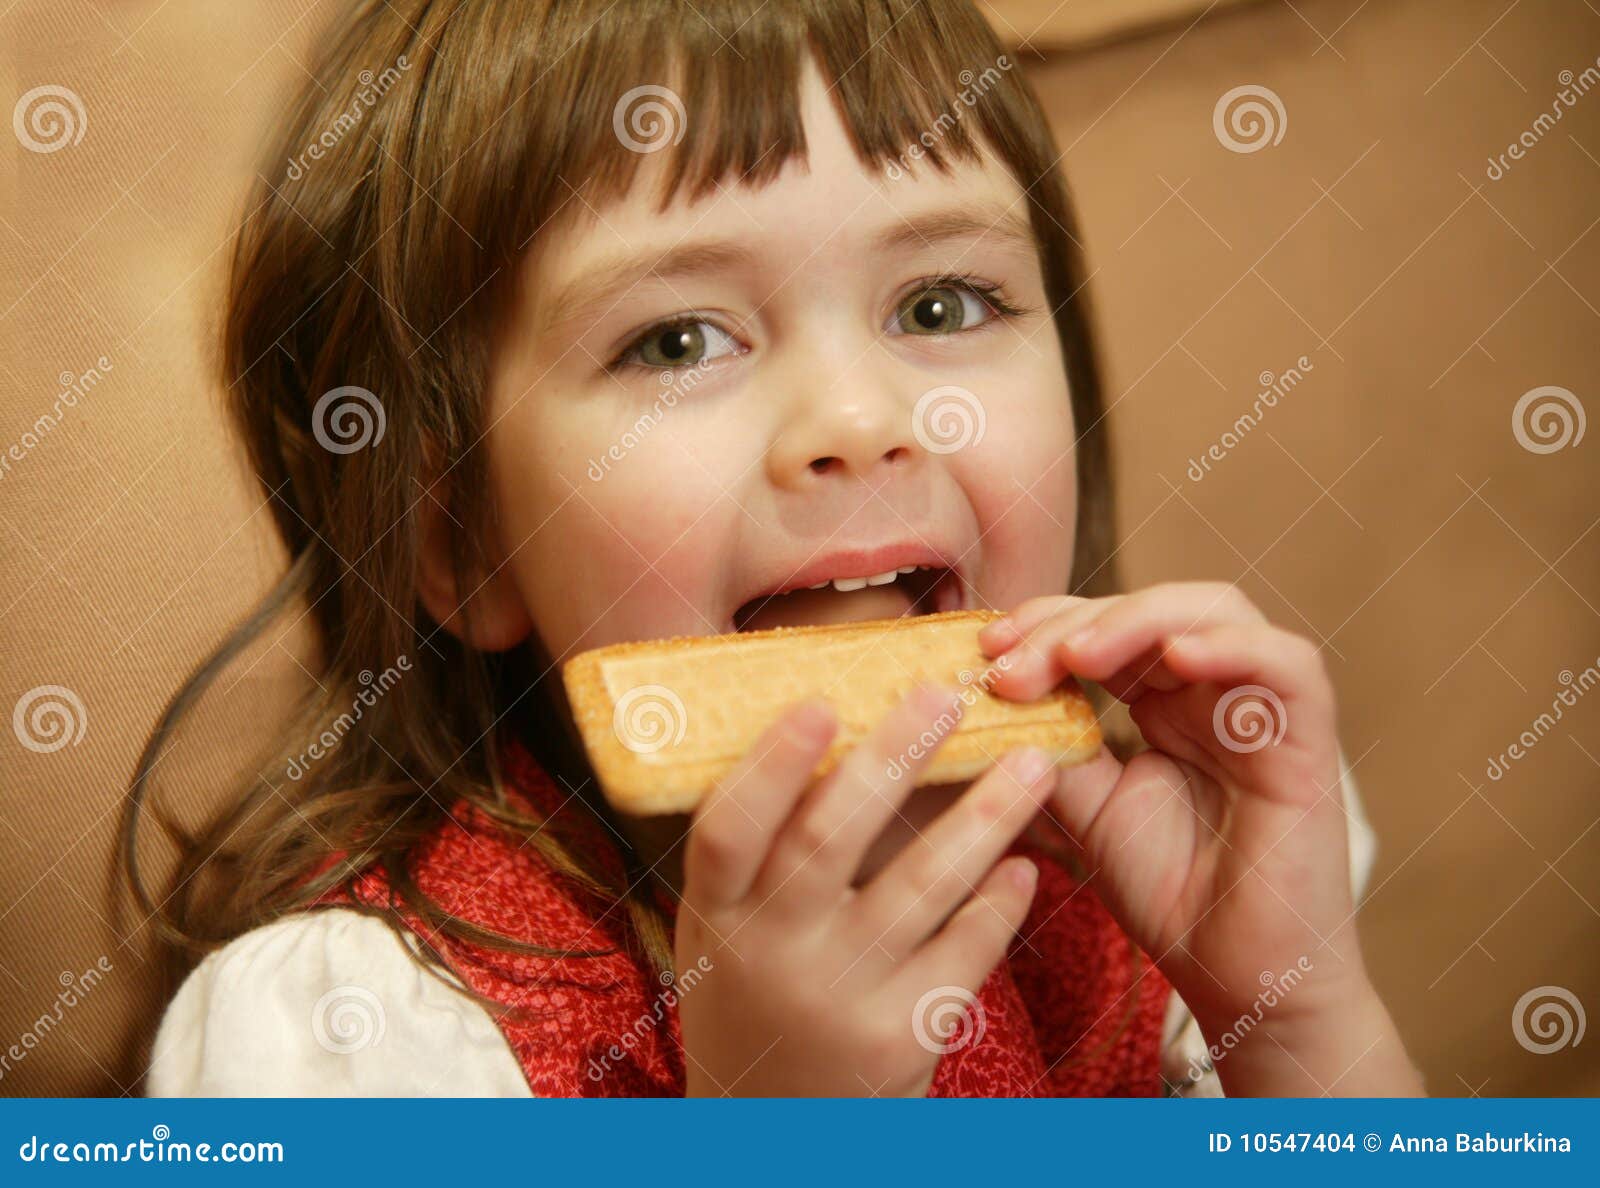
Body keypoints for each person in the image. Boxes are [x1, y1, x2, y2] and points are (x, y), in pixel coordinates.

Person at [134, 0, 1421, 1097]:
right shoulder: (353, 1034)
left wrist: (1296, 1023)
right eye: (678, 340)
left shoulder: (1179, 875)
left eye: (938, 303)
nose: (858, 422)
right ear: (458, 537)